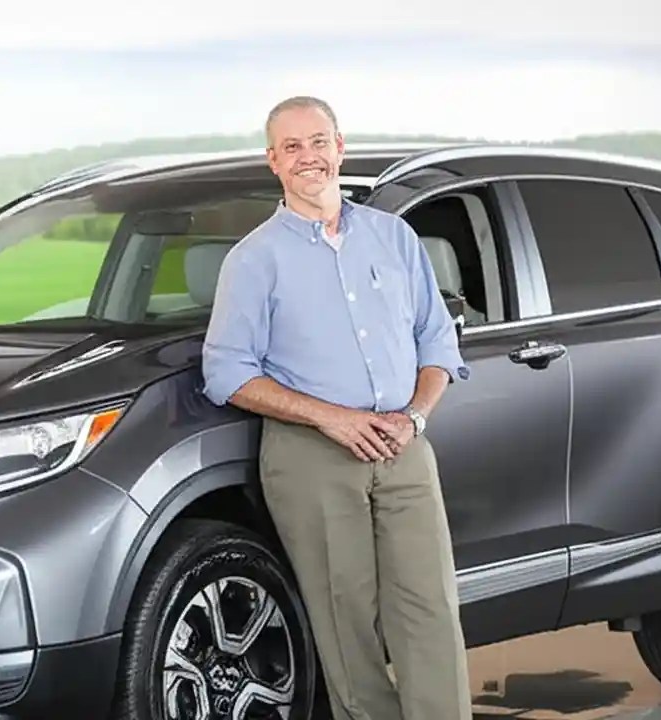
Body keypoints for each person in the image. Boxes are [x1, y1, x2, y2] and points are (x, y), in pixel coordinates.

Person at [200, 95, 474, 720]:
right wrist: (332, 417)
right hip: (311, 458)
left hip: (404, 449)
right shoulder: (253, 261)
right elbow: (226, 371)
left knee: (430, 611)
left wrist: (415, 417)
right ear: (272, 161)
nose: (308, 157)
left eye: (318, 142)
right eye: (292, 147)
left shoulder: (394, 238)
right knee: (344, 623)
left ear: (340, 147)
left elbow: (437, 340)